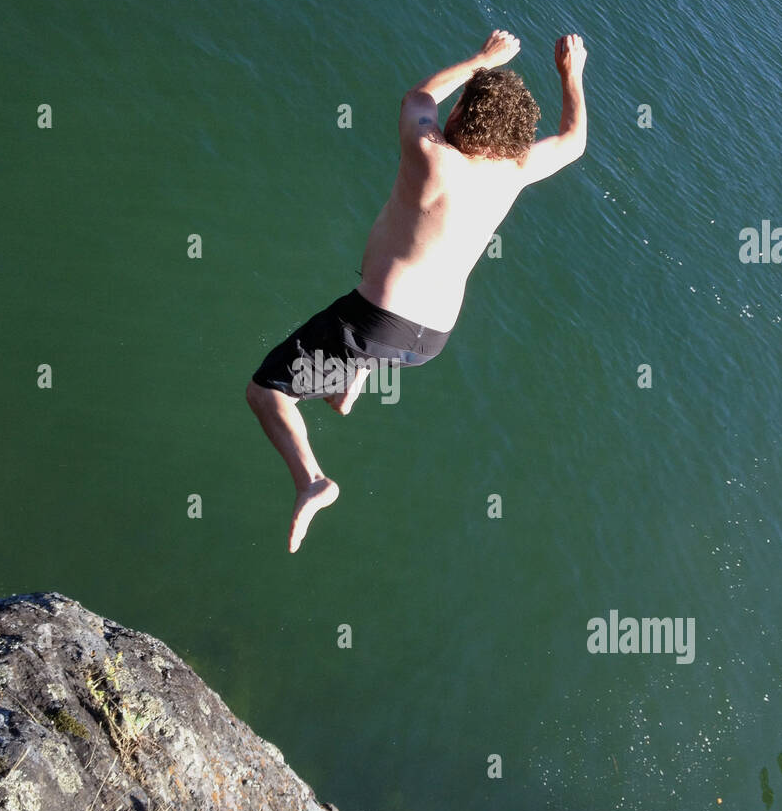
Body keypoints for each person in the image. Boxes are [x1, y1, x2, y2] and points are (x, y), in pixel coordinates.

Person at [246, 28, 588, 552]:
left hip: (376, 322)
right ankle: (346, 383)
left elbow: (419, 97)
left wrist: (482, 59)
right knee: (360, 349)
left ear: (458, 118)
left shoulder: (432, 156)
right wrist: (572, 77)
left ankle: (313, 480)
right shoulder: (515, 171)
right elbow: (573, 140)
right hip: (430, 340)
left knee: (267, 392)